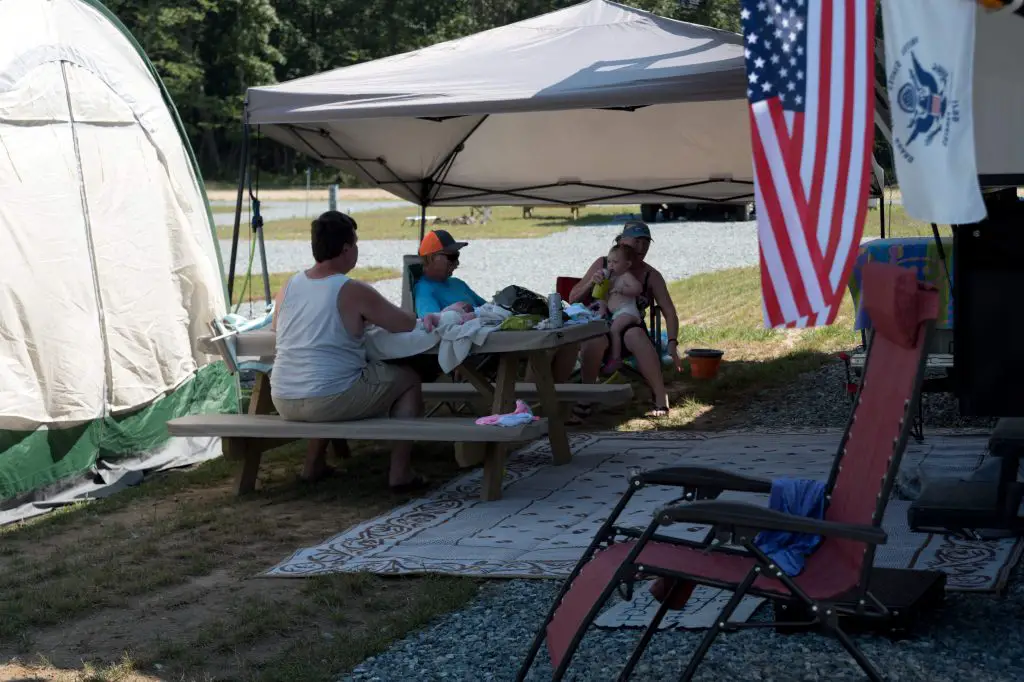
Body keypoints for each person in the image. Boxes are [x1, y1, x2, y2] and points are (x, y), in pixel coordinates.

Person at [270, 210, 427, 492]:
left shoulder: (289, 286)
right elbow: (404, 323)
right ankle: (401, 472)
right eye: (355, 244)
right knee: (409, 379)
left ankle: (313, 464)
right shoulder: (351, 289)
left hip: (283, 396)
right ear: (346, 249)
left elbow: (276, 327)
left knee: (325, 377)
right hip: (329, 398)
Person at [565, 220, 683, 420]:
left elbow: (669, 311)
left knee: (635, 334)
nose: (641, 247)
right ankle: (586, 396)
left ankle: (660, 396)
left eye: (646, 242)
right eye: (636, 241)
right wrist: (591, 284)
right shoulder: (603, 264)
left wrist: (672, 342)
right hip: (600, 324)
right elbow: (572, 298)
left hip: (630, 327)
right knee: (594, 338)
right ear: (621, 241)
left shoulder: (650, 275)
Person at [595, 243, 644, 374]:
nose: (611, 265)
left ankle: (616, 359)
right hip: (617, 313)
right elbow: (603, 296)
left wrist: (622, 290)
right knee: (603, 327)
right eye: (609, 261)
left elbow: (638, 288)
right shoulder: (610, 277)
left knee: (614, 329)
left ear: (627, 265)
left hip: (628, 311)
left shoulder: (625, 276)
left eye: (615, 262)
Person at [413, 229, 486, 317]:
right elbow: (434, 325)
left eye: (457, 256)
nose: (457, 263)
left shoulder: (458, 283)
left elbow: (489, 308)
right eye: (452, 257)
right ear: (431, 258)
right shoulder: (424, 290)